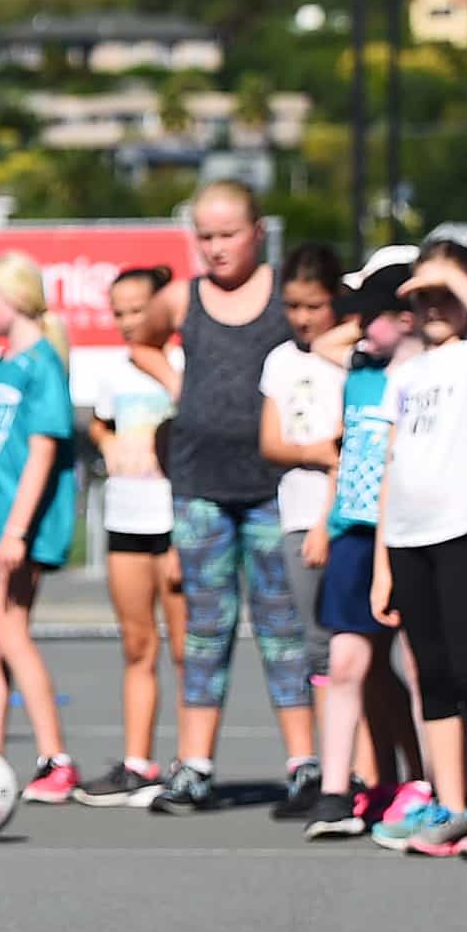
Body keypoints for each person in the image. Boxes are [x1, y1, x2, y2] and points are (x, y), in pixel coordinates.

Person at [131, 182, 315, 814]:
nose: (215, 248)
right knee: (205, 629)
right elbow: (144, 340)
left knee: (282, 626)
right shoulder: (183, 298)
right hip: (200, 483)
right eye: (204, 236)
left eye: (227, 234)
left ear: (257, 232)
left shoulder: (283, 301)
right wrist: (179, 385)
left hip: (275, 486)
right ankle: (196, 766)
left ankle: (305, 764)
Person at [368, 242, 467, 860]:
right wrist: (383, 564)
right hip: (407, 538)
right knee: (429, 676)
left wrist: (451, 276)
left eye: (446, 294)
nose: (436, 305)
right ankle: (452, 804)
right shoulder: (403, 374)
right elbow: (390, 468)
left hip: (461, 532)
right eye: (424, 295)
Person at [299, 262, 424, 840]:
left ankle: (427, 782)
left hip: (405, 534)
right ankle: (335, 790)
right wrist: (371, 325)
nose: (357, 325)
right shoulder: (359, 374)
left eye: (369, 315)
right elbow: (325, 342)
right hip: (352, 532)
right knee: (348, 663)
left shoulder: (425, 377)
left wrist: (402, 326)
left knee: (417, 667)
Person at [0, 252, 80, 802]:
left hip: (17, 527)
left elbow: (42, 451)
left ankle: (55, 759)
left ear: (12, 299)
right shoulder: (3, 361)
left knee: (11, 634)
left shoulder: (43, 364)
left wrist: (17, 530)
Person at [75, 265, 186, 808]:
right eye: (117, 313)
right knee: (137, 644)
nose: (126, 323)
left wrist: (162, 371)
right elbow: (100, 421)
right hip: (126, 521)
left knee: (190, 650)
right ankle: (138, 763)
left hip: (178, 524)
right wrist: (105, 440)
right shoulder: (113, 374)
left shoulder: (186, 367)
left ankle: (191, 764)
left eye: (137, 311)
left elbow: (201, 418)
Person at [255, 242, 344, 820]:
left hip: (337, 521)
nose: (303, 318)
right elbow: (271, 444)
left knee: (350, 653)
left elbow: (352, 447)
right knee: (314, 649)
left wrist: (327, 522)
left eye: (314, 305)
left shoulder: (347, 358)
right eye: (293, 306)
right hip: (294, 518)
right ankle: (323, 770)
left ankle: (364, 773)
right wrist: (313, 452)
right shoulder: (280, 362)